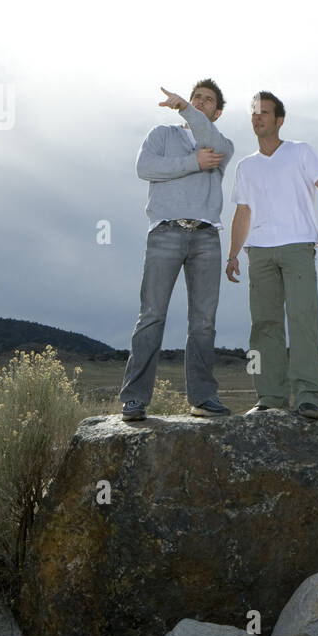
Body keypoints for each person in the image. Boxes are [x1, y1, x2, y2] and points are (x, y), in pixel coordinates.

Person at [119, 80, 235, 421]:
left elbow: (211, 147)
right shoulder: (161, 135)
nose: (199, 102)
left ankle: (203, 397)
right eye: (196, 97)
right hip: (166, 231)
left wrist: (187, 108)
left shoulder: (220, 144)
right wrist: (193, 163)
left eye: (207, 100)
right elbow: (145, 168)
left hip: (206, 237)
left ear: (217, 111)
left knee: (203, 321)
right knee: (152, 315)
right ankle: (135, 399)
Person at [226, 91, 318, 419]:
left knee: (303, 318)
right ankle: (270, 397)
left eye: (264, 112)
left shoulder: (301, 152)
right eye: (253, 113)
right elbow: (242, 213)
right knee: (263, 325)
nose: (257, 117)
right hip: (258, 252)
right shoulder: (246, 166)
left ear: (279, 119)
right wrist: (233, 255)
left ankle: (308, 397)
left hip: (298, 247)